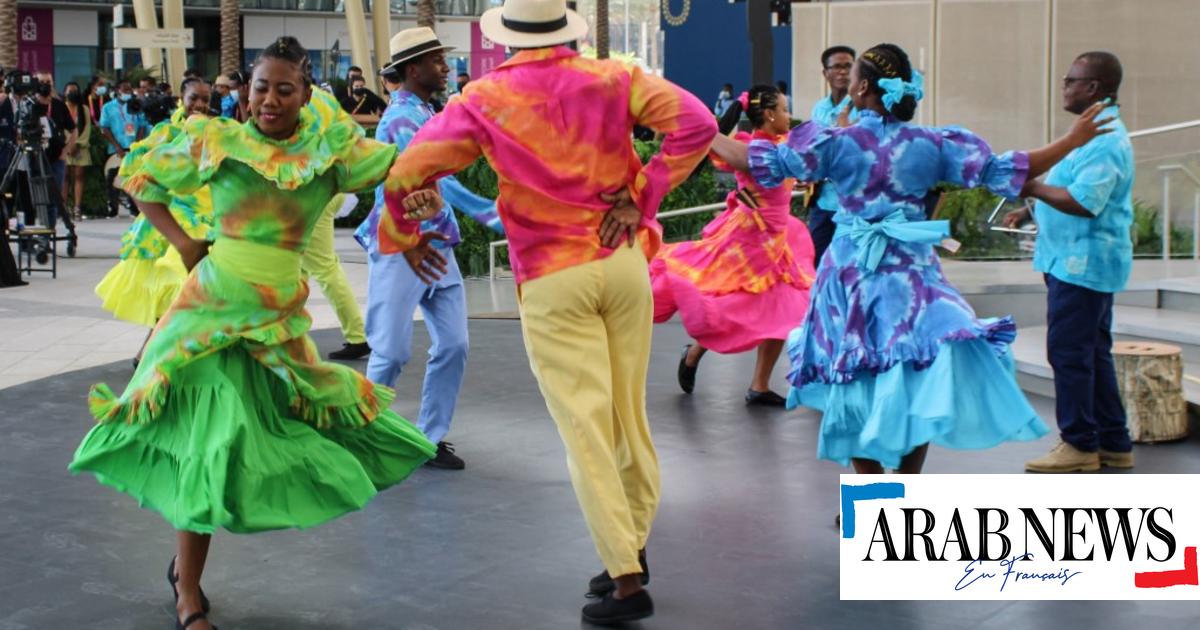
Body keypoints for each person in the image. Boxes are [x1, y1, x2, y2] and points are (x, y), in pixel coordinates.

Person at [69, 37, 442, 630]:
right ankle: (188, 592)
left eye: (284, 89)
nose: (269, 99)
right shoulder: (218, 143)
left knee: (263, 441)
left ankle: (185, 571)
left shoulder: (327, 156)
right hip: (208, 316)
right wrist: (187, 244)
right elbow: (140, 178)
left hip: (276, 324)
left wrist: (418, 208)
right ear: (248, 91)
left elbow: (401, 171)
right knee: (210, 444)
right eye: (261, 87)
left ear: (305, 94)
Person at [377, 0, 717, 623]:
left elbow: (408, 172)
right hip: (621, 262)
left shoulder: (484, 98)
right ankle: (629, 547)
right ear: (568, 31)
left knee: (585, 427)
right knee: (626, 417)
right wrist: (643, 195)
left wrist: (408, 234)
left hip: (553, 275)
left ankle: (625, 580)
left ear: (506, 37)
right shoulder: (615, 76)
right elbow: (696, 123)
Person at [711, 42, 1113, 478]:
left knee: (854, 383)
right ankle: (903, 490)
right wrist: (1070, 141)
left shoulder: (837, 143)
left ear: (863, 86)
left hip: (853, 276)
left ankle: (872, 494)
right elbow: (1007, 170)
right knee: (920, 377)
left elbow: (753, 159)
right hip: (911, 280)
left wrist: (701, 129)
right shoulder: (933, 144)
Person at [356, 27, 504, 471]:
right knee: (391, 351)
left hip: (436, 244)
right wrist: (493, 214)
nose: (445, 67)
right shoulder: (401, 118)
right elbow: (437, 181)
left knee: (454, 344)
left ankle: (428, 438)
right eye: (438, 61)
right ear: (413, 69)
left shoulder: (425, 111)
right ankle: (363, 437)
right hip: (402, 246)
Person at [1006, 52, 1135, 473]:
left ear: (1093, 88)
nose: (1064, 86)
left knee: (1069, 352)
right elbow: (1072, 180)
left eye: (1071, 80)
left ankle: (1079, 444)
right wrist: (1029, 209)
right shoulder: (1091, 131)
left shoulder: (1105, 138)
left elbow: (1083, 200)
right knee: (1093, 352)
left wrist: (1037, 189)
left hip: (1082, 265)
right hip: (1075, 261)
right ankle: (1114, 442)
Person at [658, 85, 816, 407]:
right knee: (732, 306)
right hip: (749, 242)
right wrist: (709, 130)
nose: (789, 116)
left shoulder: (780, 144)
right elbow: (724, 148)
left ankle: (759, 385)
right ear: (770, 114)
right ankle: (695, 351)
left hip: (777, 238)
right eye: (785, 109)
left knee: (783, 308)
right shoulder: (751, 149)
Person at [95, 77, 216, 355]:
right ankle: (150, 356)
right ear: (181, 99)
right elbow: (133, 173)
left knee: (188, 292)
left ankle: (150, 355)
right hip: (173, 222)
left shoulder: (214, 133)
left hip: (205, 219)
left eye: (205, 100)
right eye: (194, 98)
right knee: (179, 288)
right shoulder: (167, 132)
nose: (199, 104)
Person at [299, 86, 375, 362]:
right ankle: (288, 332)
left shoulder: (300, 101)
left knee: (323, 267)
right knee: (299, 265)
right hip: (328, 187)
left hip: (314, 191)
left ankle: (357, 335)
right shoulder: (324, 100)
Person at [808, 45, 857, 264]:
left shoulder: (862, 106)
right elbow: (812, 147)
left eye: (848, 66)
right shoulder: (819, 108)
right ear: (825, 73)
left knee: (848, 264)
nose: (843, 72)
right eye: (837, 67)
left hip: (851, 204)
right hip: (822, 200)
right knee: (815, 261)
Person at [29, 77, 76, 229]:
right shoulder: (31, 106)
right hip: (36, 157)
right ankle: (43, 232)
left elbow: (73, 129)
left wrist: (66, 150)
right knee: (41, 197)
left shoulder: (59, 105)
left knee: (54, 196)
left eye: (48, 83)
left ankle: (50, 230)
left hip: (57, 157)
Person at [98, 79, 148, 217]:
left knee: (133, 177)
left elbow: (142, 125)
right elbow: (104, 128)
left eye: (129, 90)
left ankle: (134, 208)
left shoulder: (136, 106)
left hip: (133, 147)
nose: (128, 92)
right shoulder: (108, 107)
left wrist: (136, 144)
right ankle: (112, 208)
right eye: (125, 90)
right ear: (117, 91)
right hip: (116, 149)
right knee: (113, 178)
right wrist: (117, 146)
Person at [63, 81, 92, 221]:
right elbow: (60, 127)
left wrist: (78, 143)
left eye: (75, 91)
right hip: (65, 147)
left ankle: (77, 207)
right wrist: (69, 144)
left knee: (79, 176)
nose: (72, 94)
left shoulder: (84, 109)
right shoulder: (61, 107)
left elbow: (87, 128)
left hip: (81, 147)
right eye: (69, 91)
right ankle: (63, 207)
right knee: (65, 176)